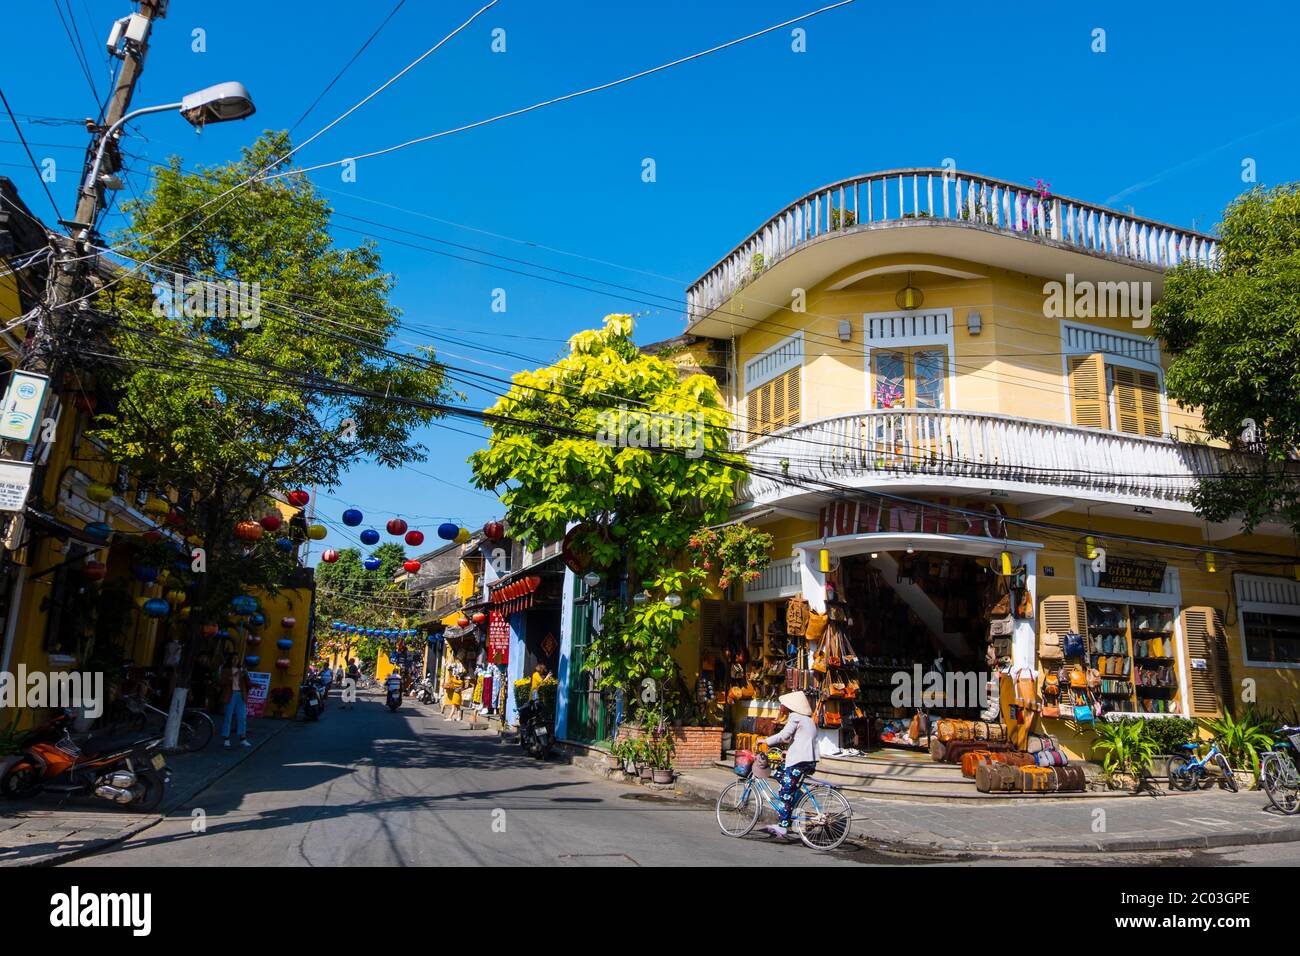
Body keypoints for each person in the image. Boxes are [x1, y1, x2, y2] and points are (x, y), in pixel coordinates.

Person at [760, 691, 817, 838]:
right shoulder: (808, 719)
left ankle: (783, 826)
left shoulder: (795, 717)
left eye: (783, 704)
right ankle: (795, 798)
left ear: (791, 705)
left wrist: (765, 741)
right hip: (807, 760)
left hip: (799, 761)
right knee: (779, 773)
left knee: (785, 793)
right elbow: (801, 740)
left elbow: (783, 736)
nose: (781, 706)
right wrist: (788, 752)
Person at [218, 653, 253, 748]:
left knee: (242, 717)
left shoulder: (242, 670)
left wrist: (245, 675)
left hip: (240, 695)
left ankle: (243, 738)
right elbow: (221, 682)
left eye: (237, 658)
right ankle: (226, 738)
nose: (235, 660)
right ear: (230, 660)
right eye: (233, 658)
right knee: (228, 717)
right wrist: (234, 675)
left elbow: (249, 684)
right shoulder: (226, 670)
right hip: (230, 694)